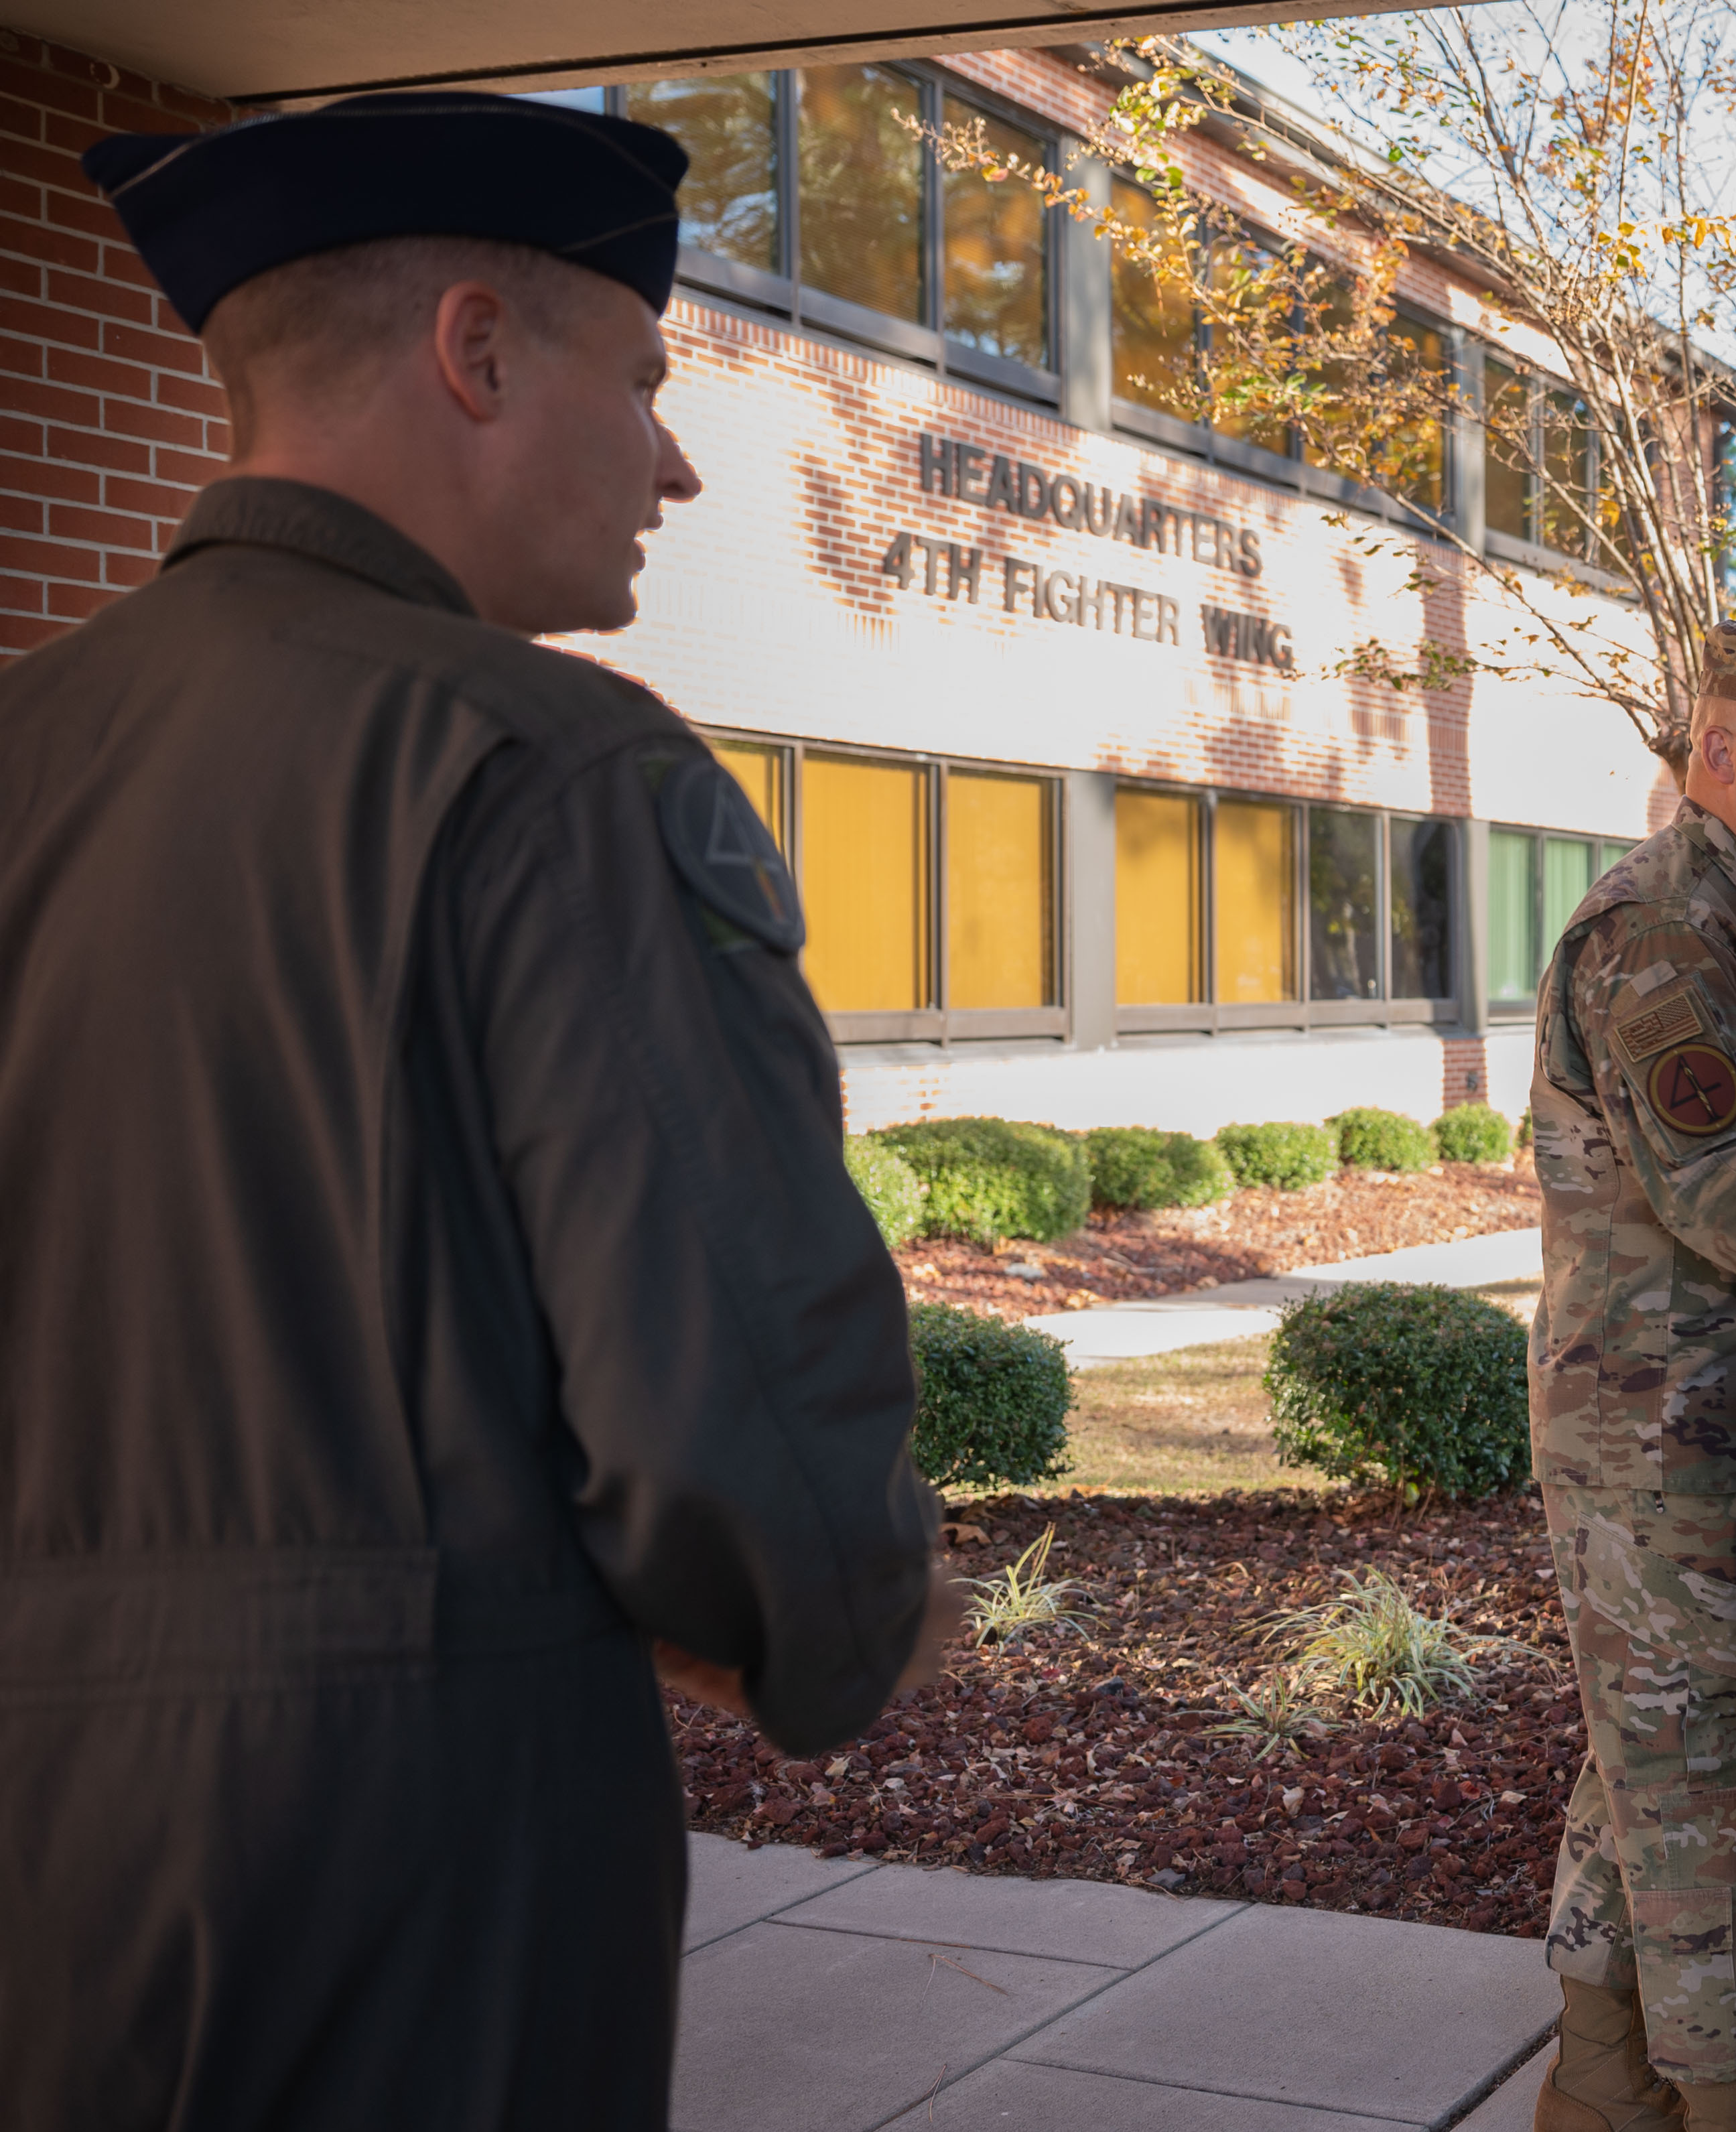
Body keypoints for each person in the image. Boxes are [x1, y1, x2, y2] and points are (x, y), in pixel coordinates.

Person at [1, 96, 950, 2129]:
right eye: (649, 379)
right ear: (479, 351)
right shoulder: (557, 772)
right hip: (403, 1865)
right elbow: (732, 1407)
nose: (677, 463)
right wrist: (836, 1604)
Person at [1529, 621, 1736, 2132]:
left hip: (1714, 1416)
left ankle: (1600, 2079)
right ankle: (1727, 2108)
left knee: (1649, 1754)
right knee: (1705, 1781)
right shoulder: (1663, 923)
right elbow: (1719, 1181)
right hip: (1658, 1430)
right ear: (1718, 747)